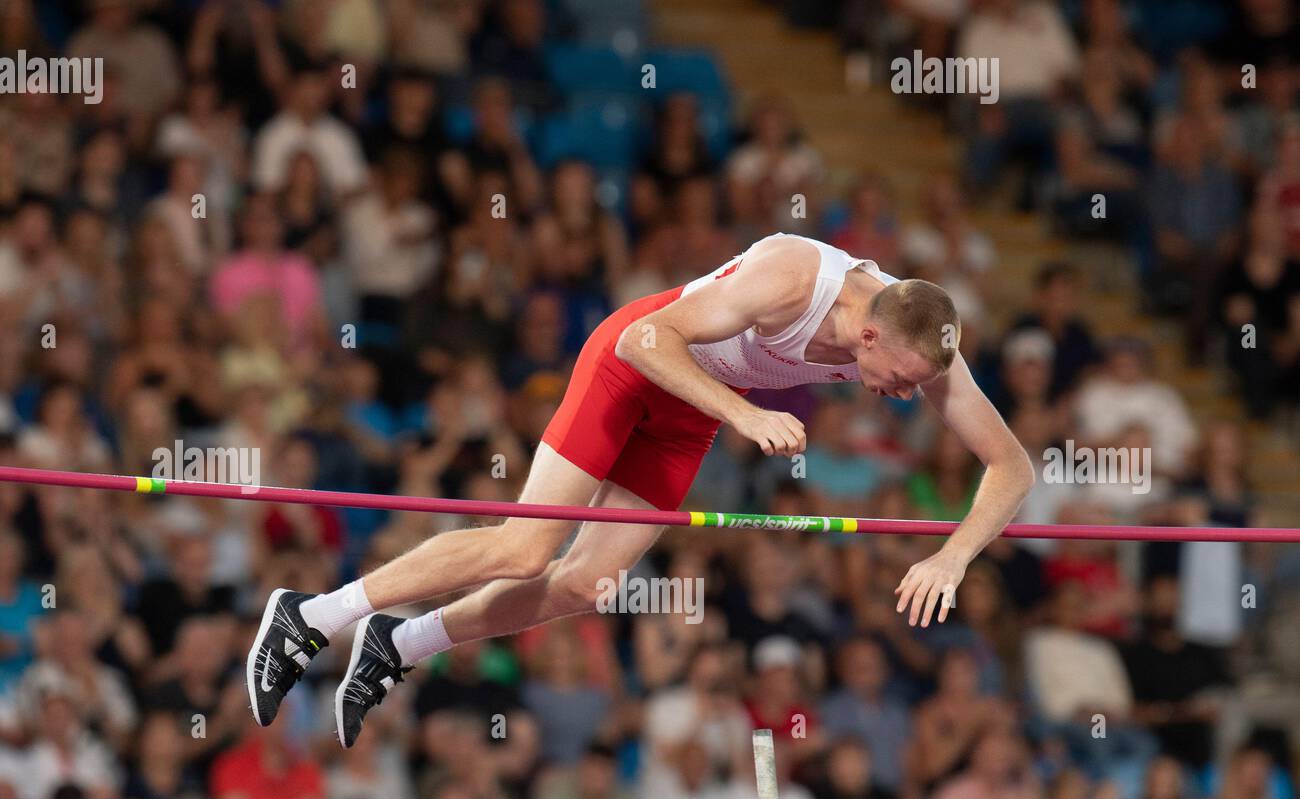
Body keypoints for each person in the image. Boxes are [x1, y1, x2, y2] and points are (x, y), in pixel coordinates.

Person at [246, 233, 1033, 746]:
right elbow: (643, 338)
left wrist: (953, 558)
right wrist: (744, 413)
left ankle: (400, 642)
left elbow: (1012, 467)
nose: (904, 397)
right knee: (527, 548)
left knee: (587, 584)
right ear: (866, 335)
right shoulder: (794, 278)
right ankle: (310, 619)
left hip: (688, 412)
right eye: (897, 381)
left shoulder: (924, 344)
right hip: (637, 366)